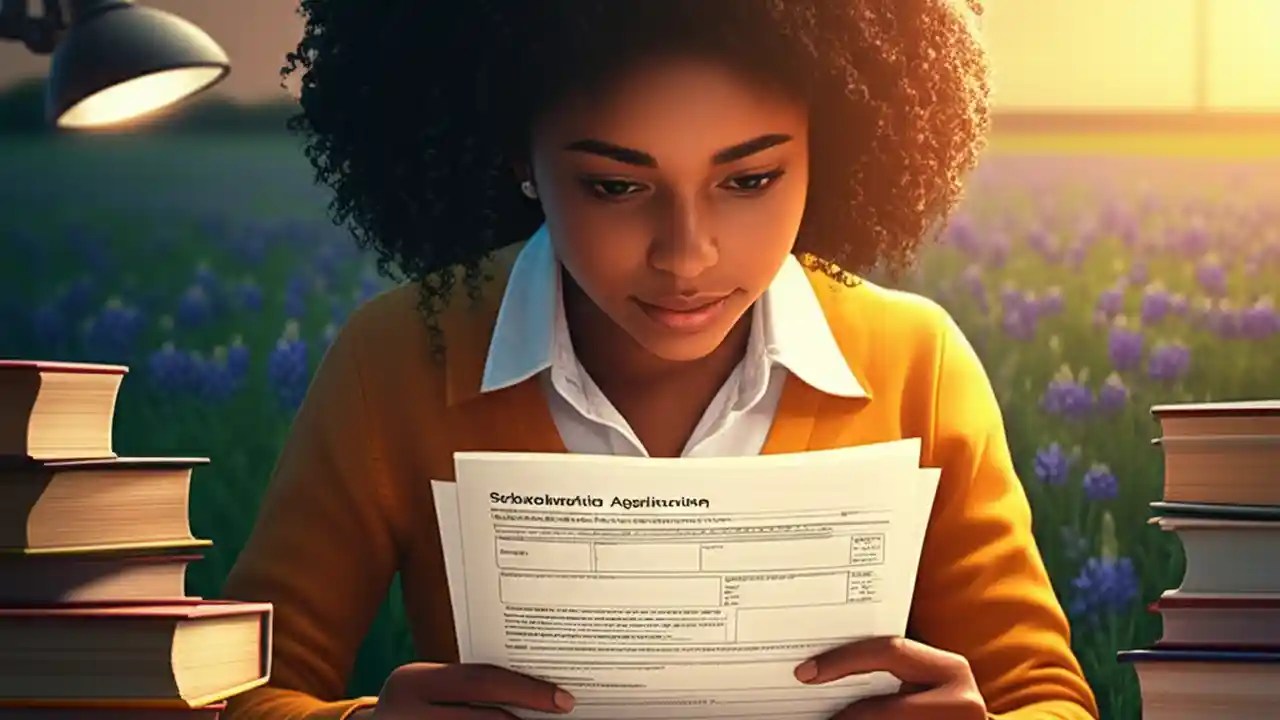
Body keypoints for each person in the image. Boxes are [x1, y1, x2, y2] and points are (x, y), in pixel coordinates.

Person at [219, 2, 1100, 719]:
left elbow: (1047, 697)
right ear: (515, 158)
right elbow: (238, 692)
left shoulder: (916, 360)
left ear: (832, 149)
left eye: (749, 180)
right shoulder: (402, 360)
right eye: (614, 186)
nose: (688, 256)